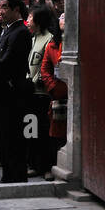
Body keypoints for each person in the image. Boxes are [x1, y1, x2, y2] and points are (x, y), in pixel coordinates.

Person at [0, 0, 33, 183]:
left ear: (16, 9)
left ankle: (15, 177)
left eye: (4, 7)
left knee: (13, 138)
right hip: (0, 93)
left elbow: (7, 61)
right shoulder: (6, 30)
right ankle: (8, 175)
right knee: (3, 138)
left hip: (11, 94)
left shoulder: (21, 32)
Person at [27, 5, 54, 176]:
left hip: (42, 95)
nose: (28, 21)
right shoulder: (32, 38)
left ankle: (46, 167)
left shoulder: (49, 39)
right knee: (30, 130)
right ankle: (32, 163)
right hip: (29, 93)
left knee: (44, 132)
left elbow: (47, 67)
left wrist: (35, 81)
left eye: (30, 18)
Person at [40, 11, 67, 179]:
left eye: (66, 17)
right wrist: (52, 87)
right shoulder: (52, 45)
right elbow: (45, 69)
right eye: (61, 17)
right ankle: (52, 166)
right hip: (57, 93)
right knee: (54, 131)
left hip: (74, 93)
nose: (63, 20)